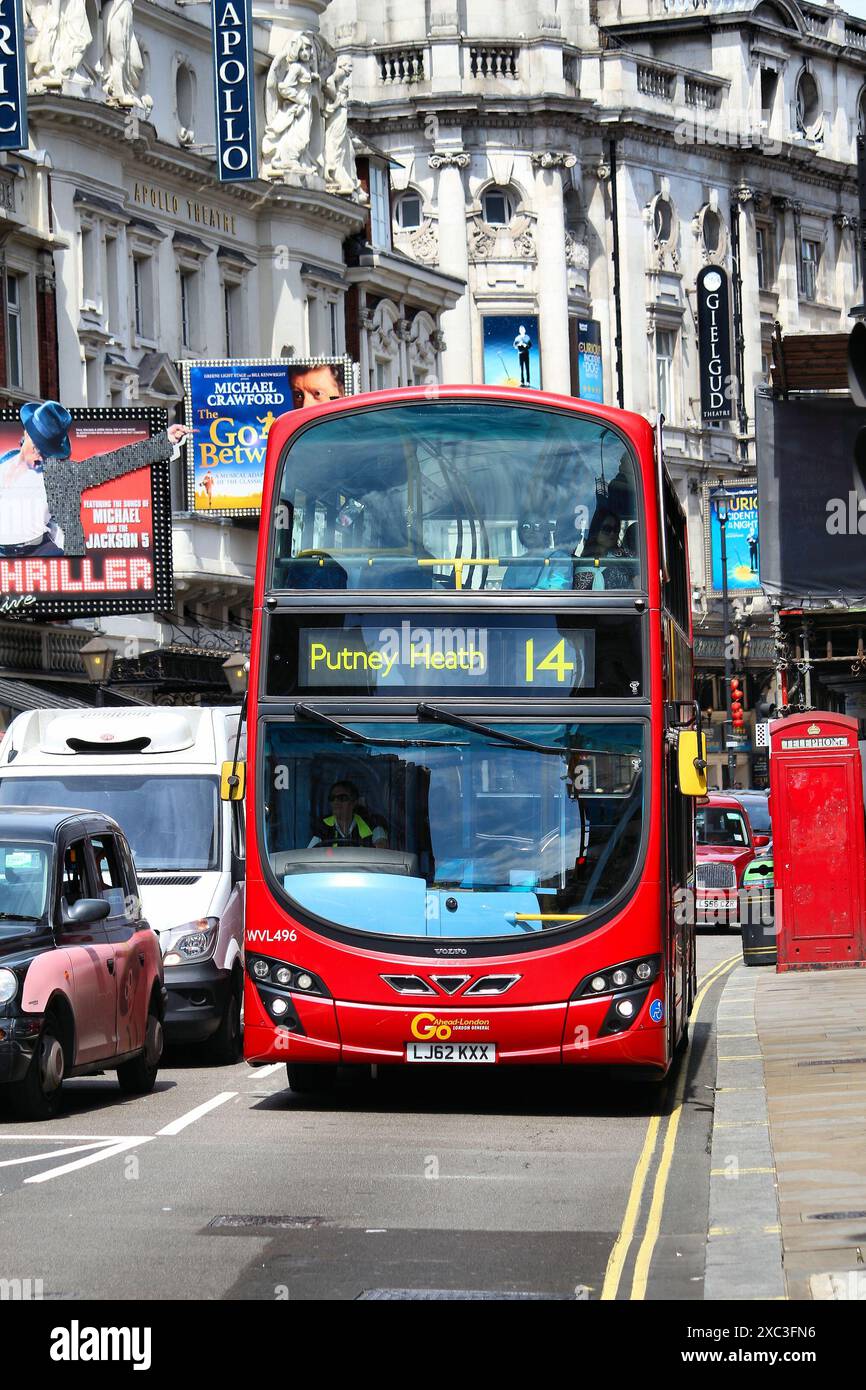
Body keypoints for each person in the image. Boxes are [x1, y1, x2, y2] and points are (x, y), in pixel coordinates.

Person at [0, 401, 189, 559]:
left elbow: (111, 463)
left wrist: (164, 441)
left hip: (39, 555)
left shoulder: (60, 474)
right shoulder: (2, 463)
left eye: (46, 452)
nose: (40, 457)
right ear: (26, 433)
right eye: (36, 448)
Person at [308, 780, 388, 848]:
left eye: (342, 798)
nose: (336, 802)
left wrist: (380, 843)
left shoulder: (372, 823)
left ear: (354, 802)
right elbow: (310, 854)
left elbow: (381, 848)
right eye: (332, 798)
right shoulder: (323, 826)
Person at [501, 513, 553, 589]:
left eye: (537, 526)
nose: (531, 530)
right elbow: (505, 595)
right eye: (526, 526)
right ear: (520, 532)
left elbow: (558, 591)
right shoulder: (514, 566)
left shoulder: (558, 559)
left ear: (546, 531)